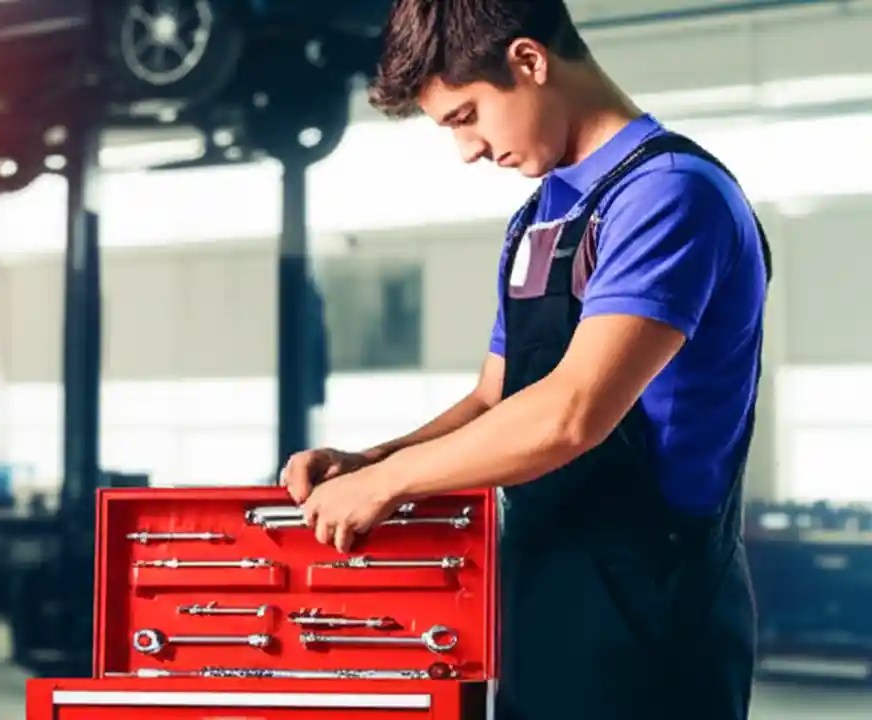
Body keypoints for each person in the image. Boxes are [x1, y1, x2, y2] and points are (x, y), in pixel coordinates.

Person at [277, 1, 770, 718]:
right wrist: (371, 463)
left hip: (653, 618)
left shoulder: (668, 196)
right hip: (541, 595)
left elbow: (571, 414)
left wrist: (392, 486)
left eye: (466, 115)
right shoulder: (541, 216)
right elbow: (493, 399)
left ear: (529, 62)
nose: (467, 149)